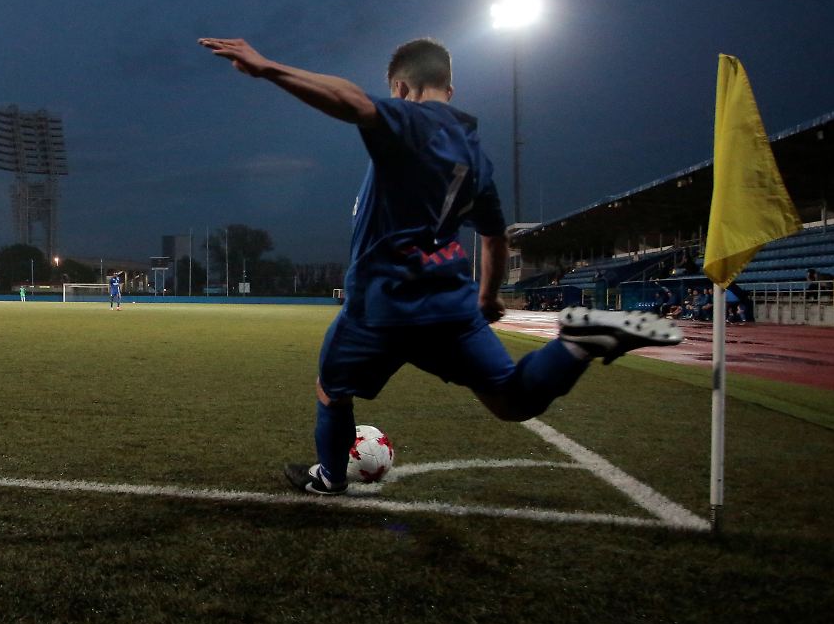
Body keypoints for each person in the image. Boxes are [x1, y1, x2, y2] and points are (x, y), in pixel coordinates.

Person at [198, 35, 683, 495]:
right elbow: (494, 237)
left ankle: (330, 476)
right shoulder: (476, 155)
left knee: (332, 390)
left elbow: (351, 101)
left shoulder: (409, 120)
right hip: (450, 307)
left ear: (402, 89)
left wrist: (269, 68)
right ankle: (577, 346)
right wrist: (488, 297)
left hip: (381, 306)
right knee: (511, 400)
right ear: (451, 89)